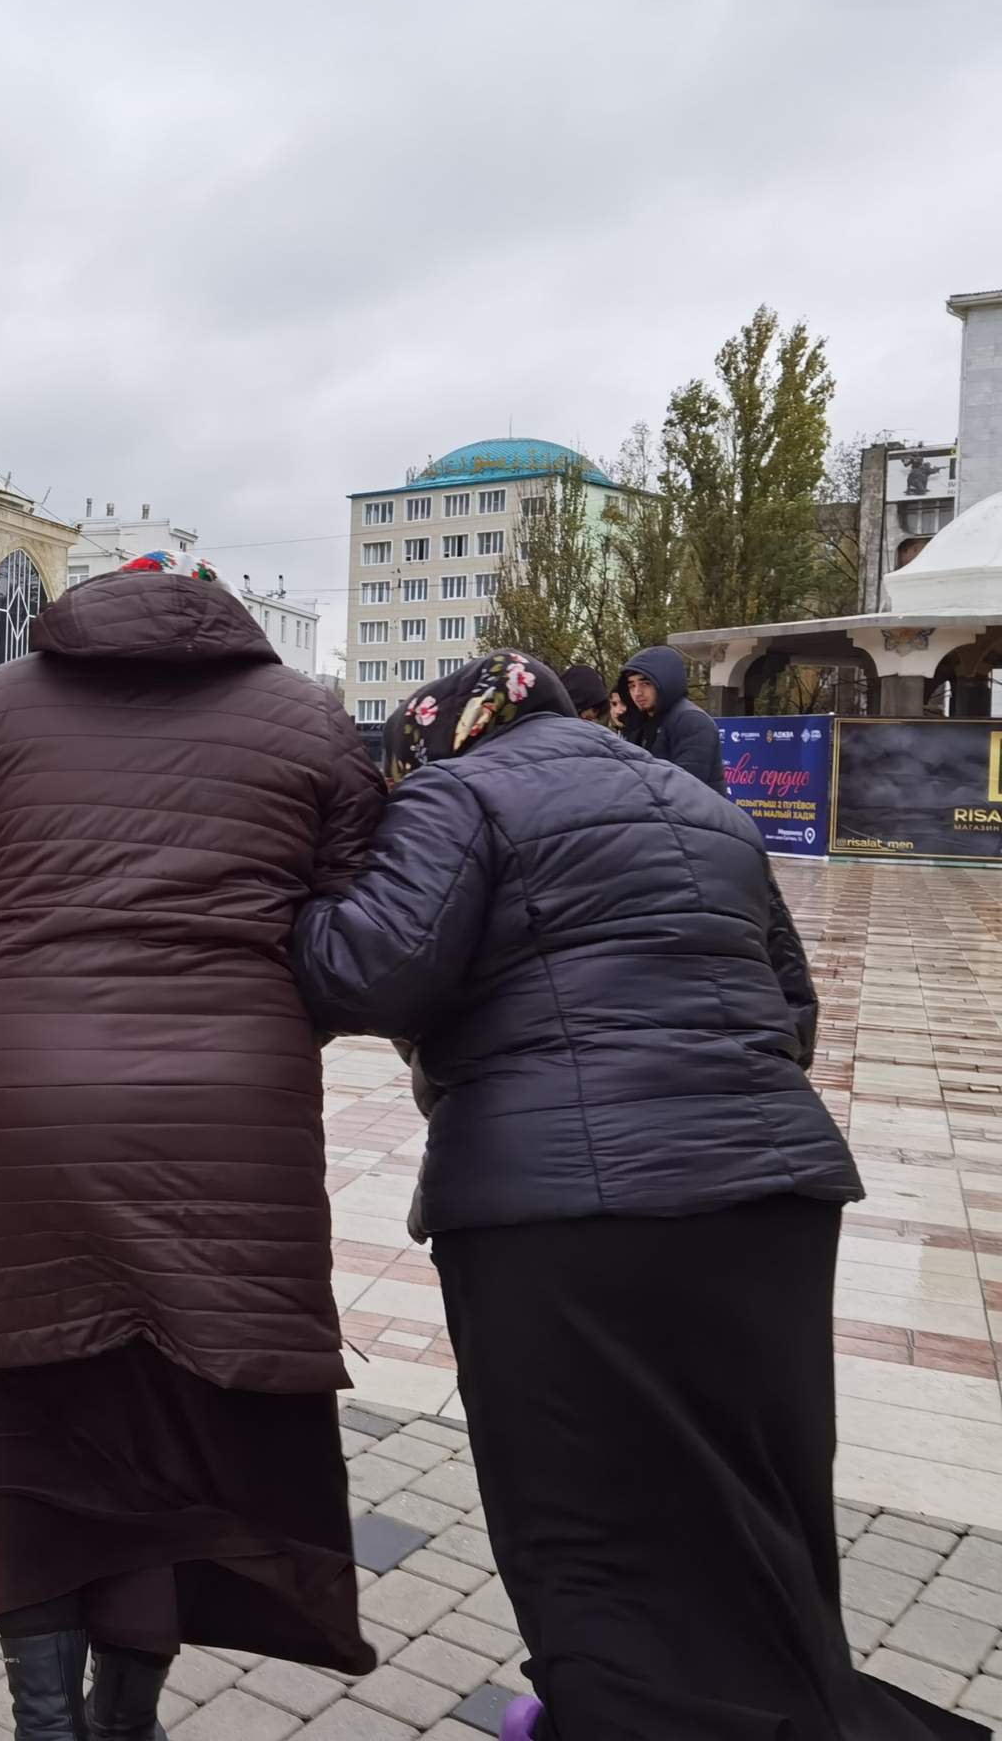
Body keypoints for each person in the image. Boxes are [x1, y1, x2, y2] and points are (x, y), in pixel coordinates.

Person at [291, 651, 985, 1741]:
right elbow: (793, 1012)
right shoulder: (697, 805)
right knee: (754, 1507)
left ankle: (614, 1714)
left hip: (562, 1220)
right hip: (772, 1194)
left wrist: (299, 895)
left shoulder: (457, 790)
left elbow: (368, 972)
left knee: (588, 1524)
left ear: (445, 732)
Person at [0, 549, 383, 1741]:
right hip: (230, 1131)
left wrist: (3, 1031)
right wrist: (256, 1028)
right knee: (176, 1444)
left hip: (27, 1117)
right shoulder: (307, 716)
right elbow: (363, 931)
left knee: (34, 1440)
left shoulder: (0, 701)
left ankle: (46, 1727)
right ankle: (126, 1725)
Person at [617, 643, 725, 789]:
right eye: (631, 685)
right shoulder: (640, 722)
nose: (637, 693)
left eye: (646, 683)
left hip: (692, 810)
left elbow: (686, 786)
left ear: (665, 682)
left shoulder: (691, 721)